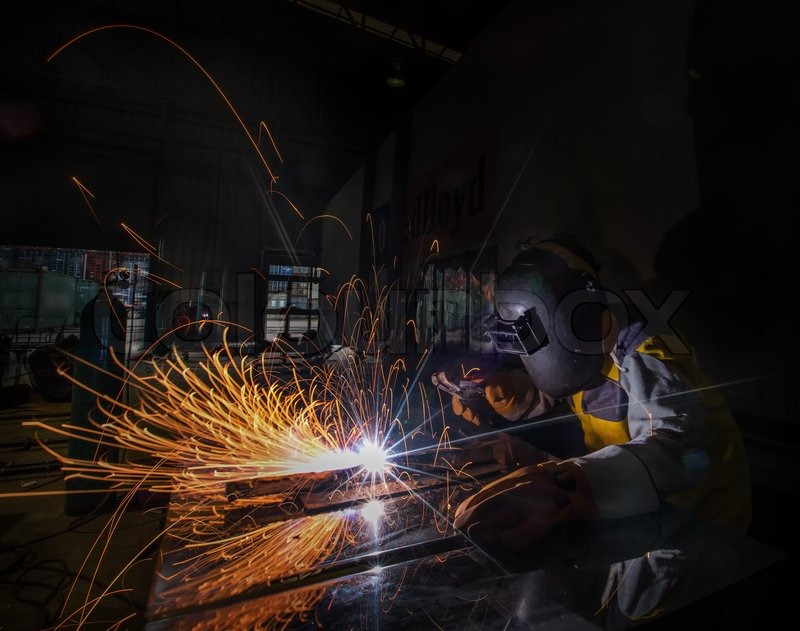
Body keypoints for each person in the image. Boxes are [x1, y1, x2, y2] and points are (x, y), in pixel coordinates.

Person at [449, 234, 752, 552]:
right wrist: (499, 391)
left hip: (699, 527)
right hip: (629, 513)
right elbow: (556, 389)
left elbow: (680, 447)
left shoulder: (646, 347)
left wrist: (567, 484)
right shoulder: (582, 344)